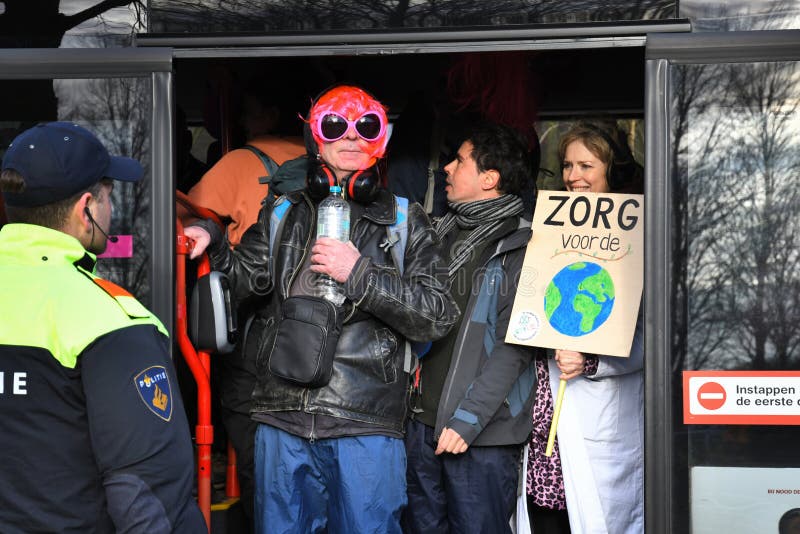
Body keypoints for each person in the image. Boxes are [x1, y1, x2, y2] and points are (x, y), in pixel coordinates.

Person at [185, 85, 459, 533]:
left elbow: (436, 313)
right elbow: (240, 282)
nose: (351, 137)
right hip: (281, 418)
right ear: (316, 137)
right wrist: (212, 240)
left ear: (381, 139)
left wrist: (360, 274)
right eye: (336, 125)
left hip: (365, 424)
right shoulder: (281, 213)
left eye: (365, 126)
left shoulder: (408, 221)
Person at [0, 121, 205, 532]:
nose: (111, 212)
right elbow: (149, 495)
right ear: (86, 208)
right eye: (110, 199)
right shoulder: (110, 320)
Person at [183, 75, 309, 530]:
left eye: (250, 109)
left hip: (257, 318)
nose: (241, 119)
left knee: (255, 441)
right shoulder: (332, 166)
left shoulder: (241, 160)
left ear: (271, 114)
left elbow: (186, 213)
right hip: (316, 330)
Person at [403, 123, 540, 533]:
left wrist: (467, 421)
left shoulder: (525, 244)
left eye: (459, 160)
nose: (446, 168)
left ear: (489, 177)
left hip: (480, 435)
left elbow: (517, 347)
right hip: (420, 424)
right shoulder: (435, 231)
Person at [525, 121, 644, 534]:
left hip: (598, 421)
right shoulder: (546, 230)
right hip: (543, 429)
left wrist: (592, 360)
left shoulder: (637, 239)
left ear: (611, 169)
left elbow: (653, 341)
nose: (574, 177)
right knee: (546, 521)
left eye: (587, 166)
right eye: (568, 166)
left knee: (596, 520)